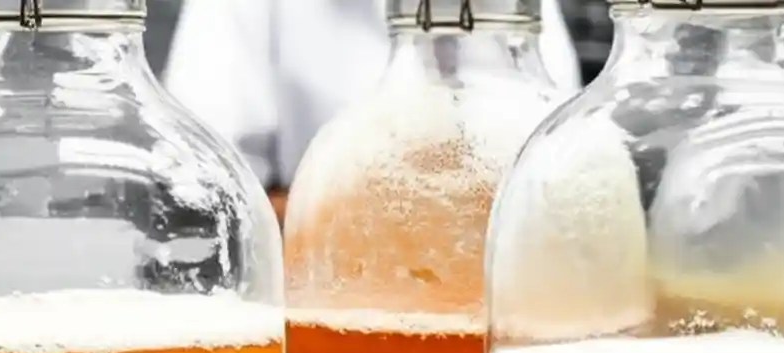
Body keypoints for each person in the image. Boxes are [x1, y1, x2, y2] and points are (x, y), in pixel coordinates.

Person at [163, 0, 583, 222]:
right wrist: (385, 223)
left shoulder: (519, 13)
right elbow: (199, 198)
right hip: (323, 316)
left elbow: (562, 187)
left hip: (500, 317)